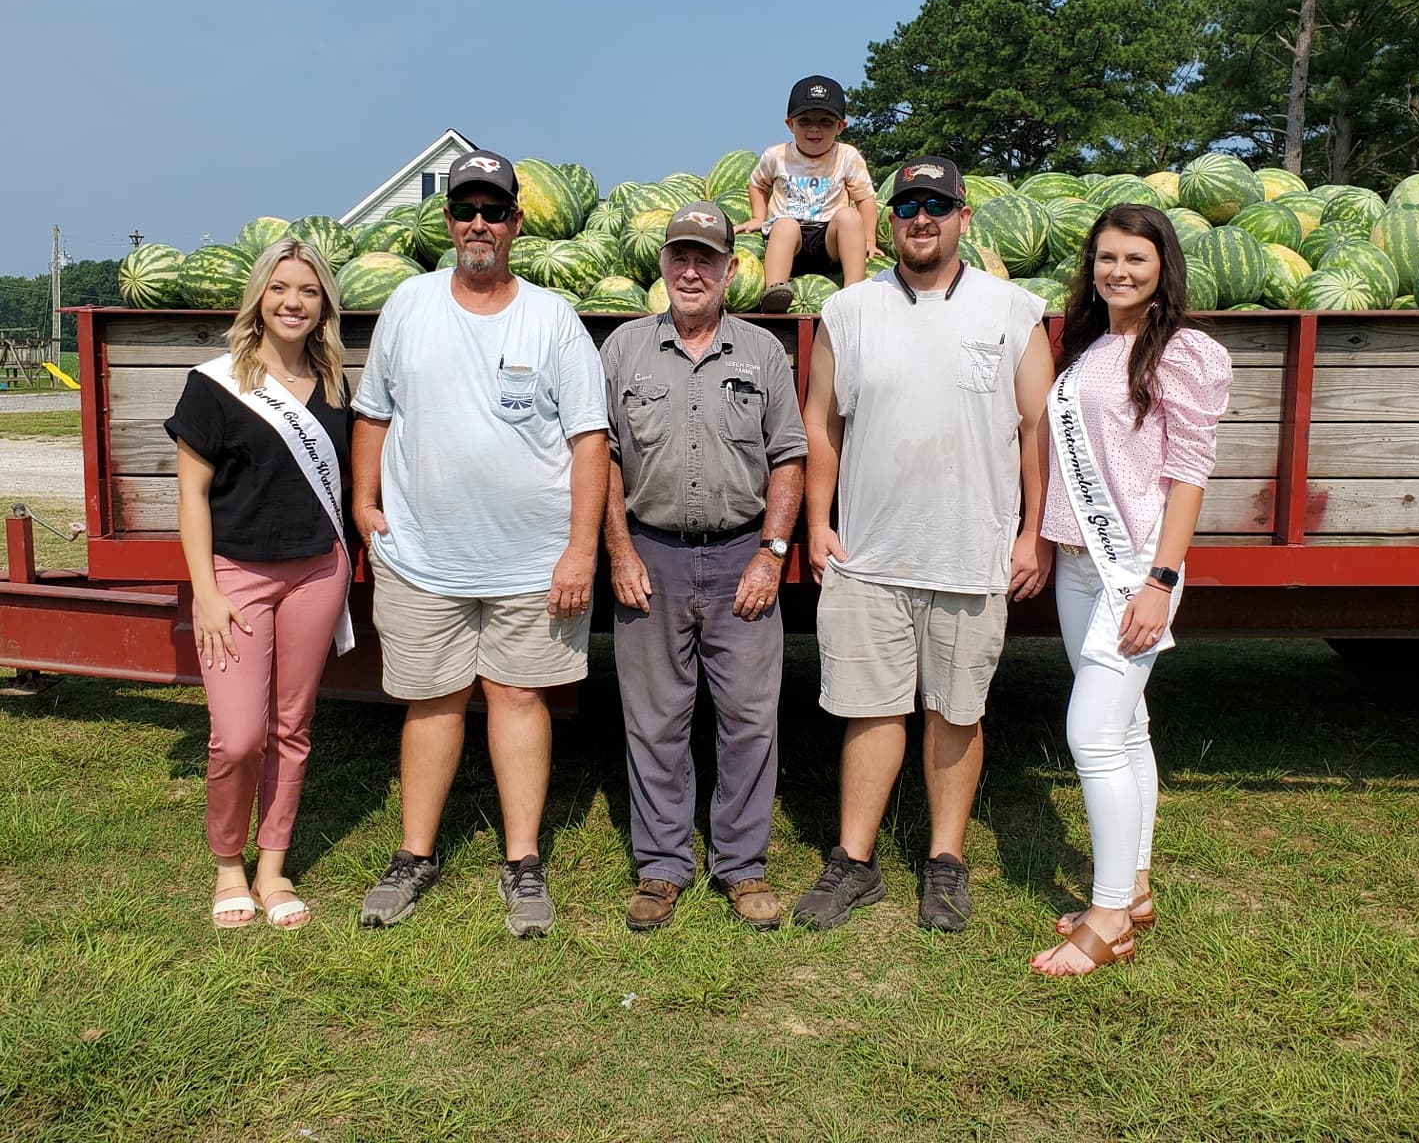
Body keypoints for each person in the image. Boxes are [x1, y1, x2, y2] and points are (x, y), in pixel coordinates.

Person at [351, 148, 608, 939]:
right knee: (431, 703)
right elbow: (373, 414)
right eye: (466, 209)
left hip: (532, 560)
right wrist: (363, 504)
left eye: (494, 210)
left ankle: (523, 862)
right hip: (424, 555)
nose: (479, 224)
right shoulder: (408, 304)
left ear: (517, 224)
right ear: (448, 220)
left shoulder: (552, 316)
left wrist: (580, 550)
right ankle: (414, 854)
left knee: (519, 696)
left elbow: (590, 441)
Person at [796, 156, 1054, 932]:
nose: (920, 218)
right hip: (870, 553)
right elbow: (821, 423)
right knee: (869, 712)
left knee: (955, 711)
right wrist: (817, 521)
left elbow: (1039, 429)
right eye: (907, 204)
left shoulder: (1015, 311)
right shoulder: (849, 312)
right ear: (890, 220)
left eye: (936, 205)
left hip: (971, 551)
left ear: (964, 219)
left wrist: (1031, 533)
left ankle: (945, 863)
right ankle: (855, 862)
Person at [1030, 204, 1231, 977]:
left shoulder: (1184, 352)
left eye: (1135, 261)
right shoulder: (1088, 347)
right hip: (1080, 564)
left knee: (1092, 736)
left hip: (1134, 569)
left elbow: (1189, 476)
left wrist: (1159, 580)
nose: (1118, 271)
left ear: (1162, 269)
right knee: (1131, 729)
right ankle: (1135, 887)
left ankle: (1110, 919)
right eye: (1107, 258)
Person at [601, 202, 807, 930]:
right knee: (656, 718)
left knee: (750, 720)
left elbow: (788, 456)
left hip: (739, 557)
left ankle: (742, 867)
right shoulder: (624, 348)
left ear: (730, 269)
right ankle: (660, 865)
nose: (692, 271)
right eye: (679, 257)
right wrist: (620, 550)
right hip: (650, 555)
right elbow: (606, 460)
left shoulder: (761, 353)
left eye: (706, 259)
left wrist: (771, 554)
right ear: (662, 265)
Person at [167, 238, 353, 930]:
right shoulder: (214, 383)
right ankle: (227, 865)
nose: (293, 302)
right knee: (238, 735)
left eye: (307, 291)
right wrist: (206, 594)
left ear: (323, 304)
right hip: (236, 577)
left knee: (292, 727)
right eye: (280, 289)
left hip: (318, 571)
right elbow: (190, 498)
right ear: (258, 298)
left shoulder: (335, 384)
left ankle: (273, 867)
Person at [740, 75, 883, 313]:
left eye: (826, 121)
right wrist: (758, 217)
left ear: (840, 126)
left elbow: (865, 200)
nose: (815, 129)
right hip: (789, 241)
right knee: (785, 226)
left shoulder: (847, 156)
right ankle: (774, 292)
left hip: (829, 238)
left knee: (849, 216)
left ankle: (854, 293)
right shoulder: (776, 156)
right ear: (790, 124)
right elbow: (757, 184)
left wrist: (869, 241)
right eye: (805, 120)